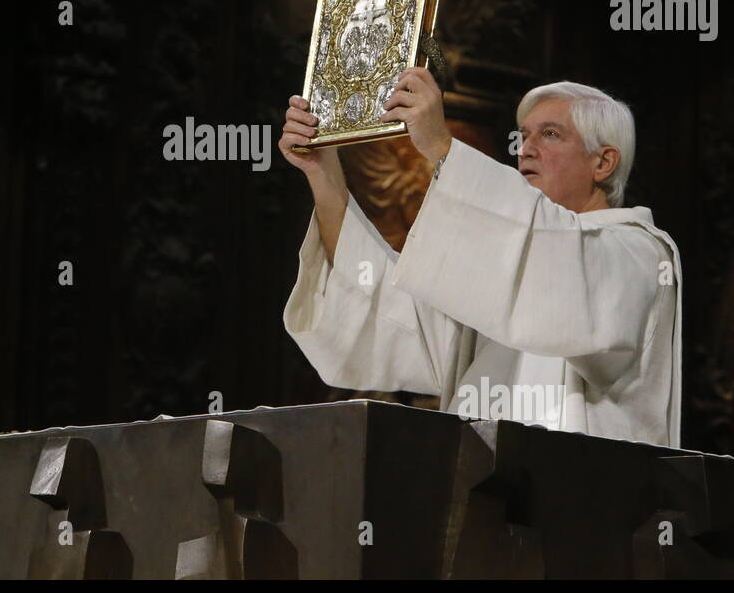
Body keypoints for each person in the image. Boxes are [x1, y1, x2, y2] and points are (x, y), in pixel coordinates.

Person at [280, 69, 682, 447]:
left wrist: (442, 147)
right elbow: (384, 312)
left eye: (551, 134)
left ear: (603, 162)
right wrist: (324, 173)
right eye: (524, 136)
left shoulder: (638, 253)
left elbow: (564, 267)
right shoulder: (498, 274)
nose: (526, 149)